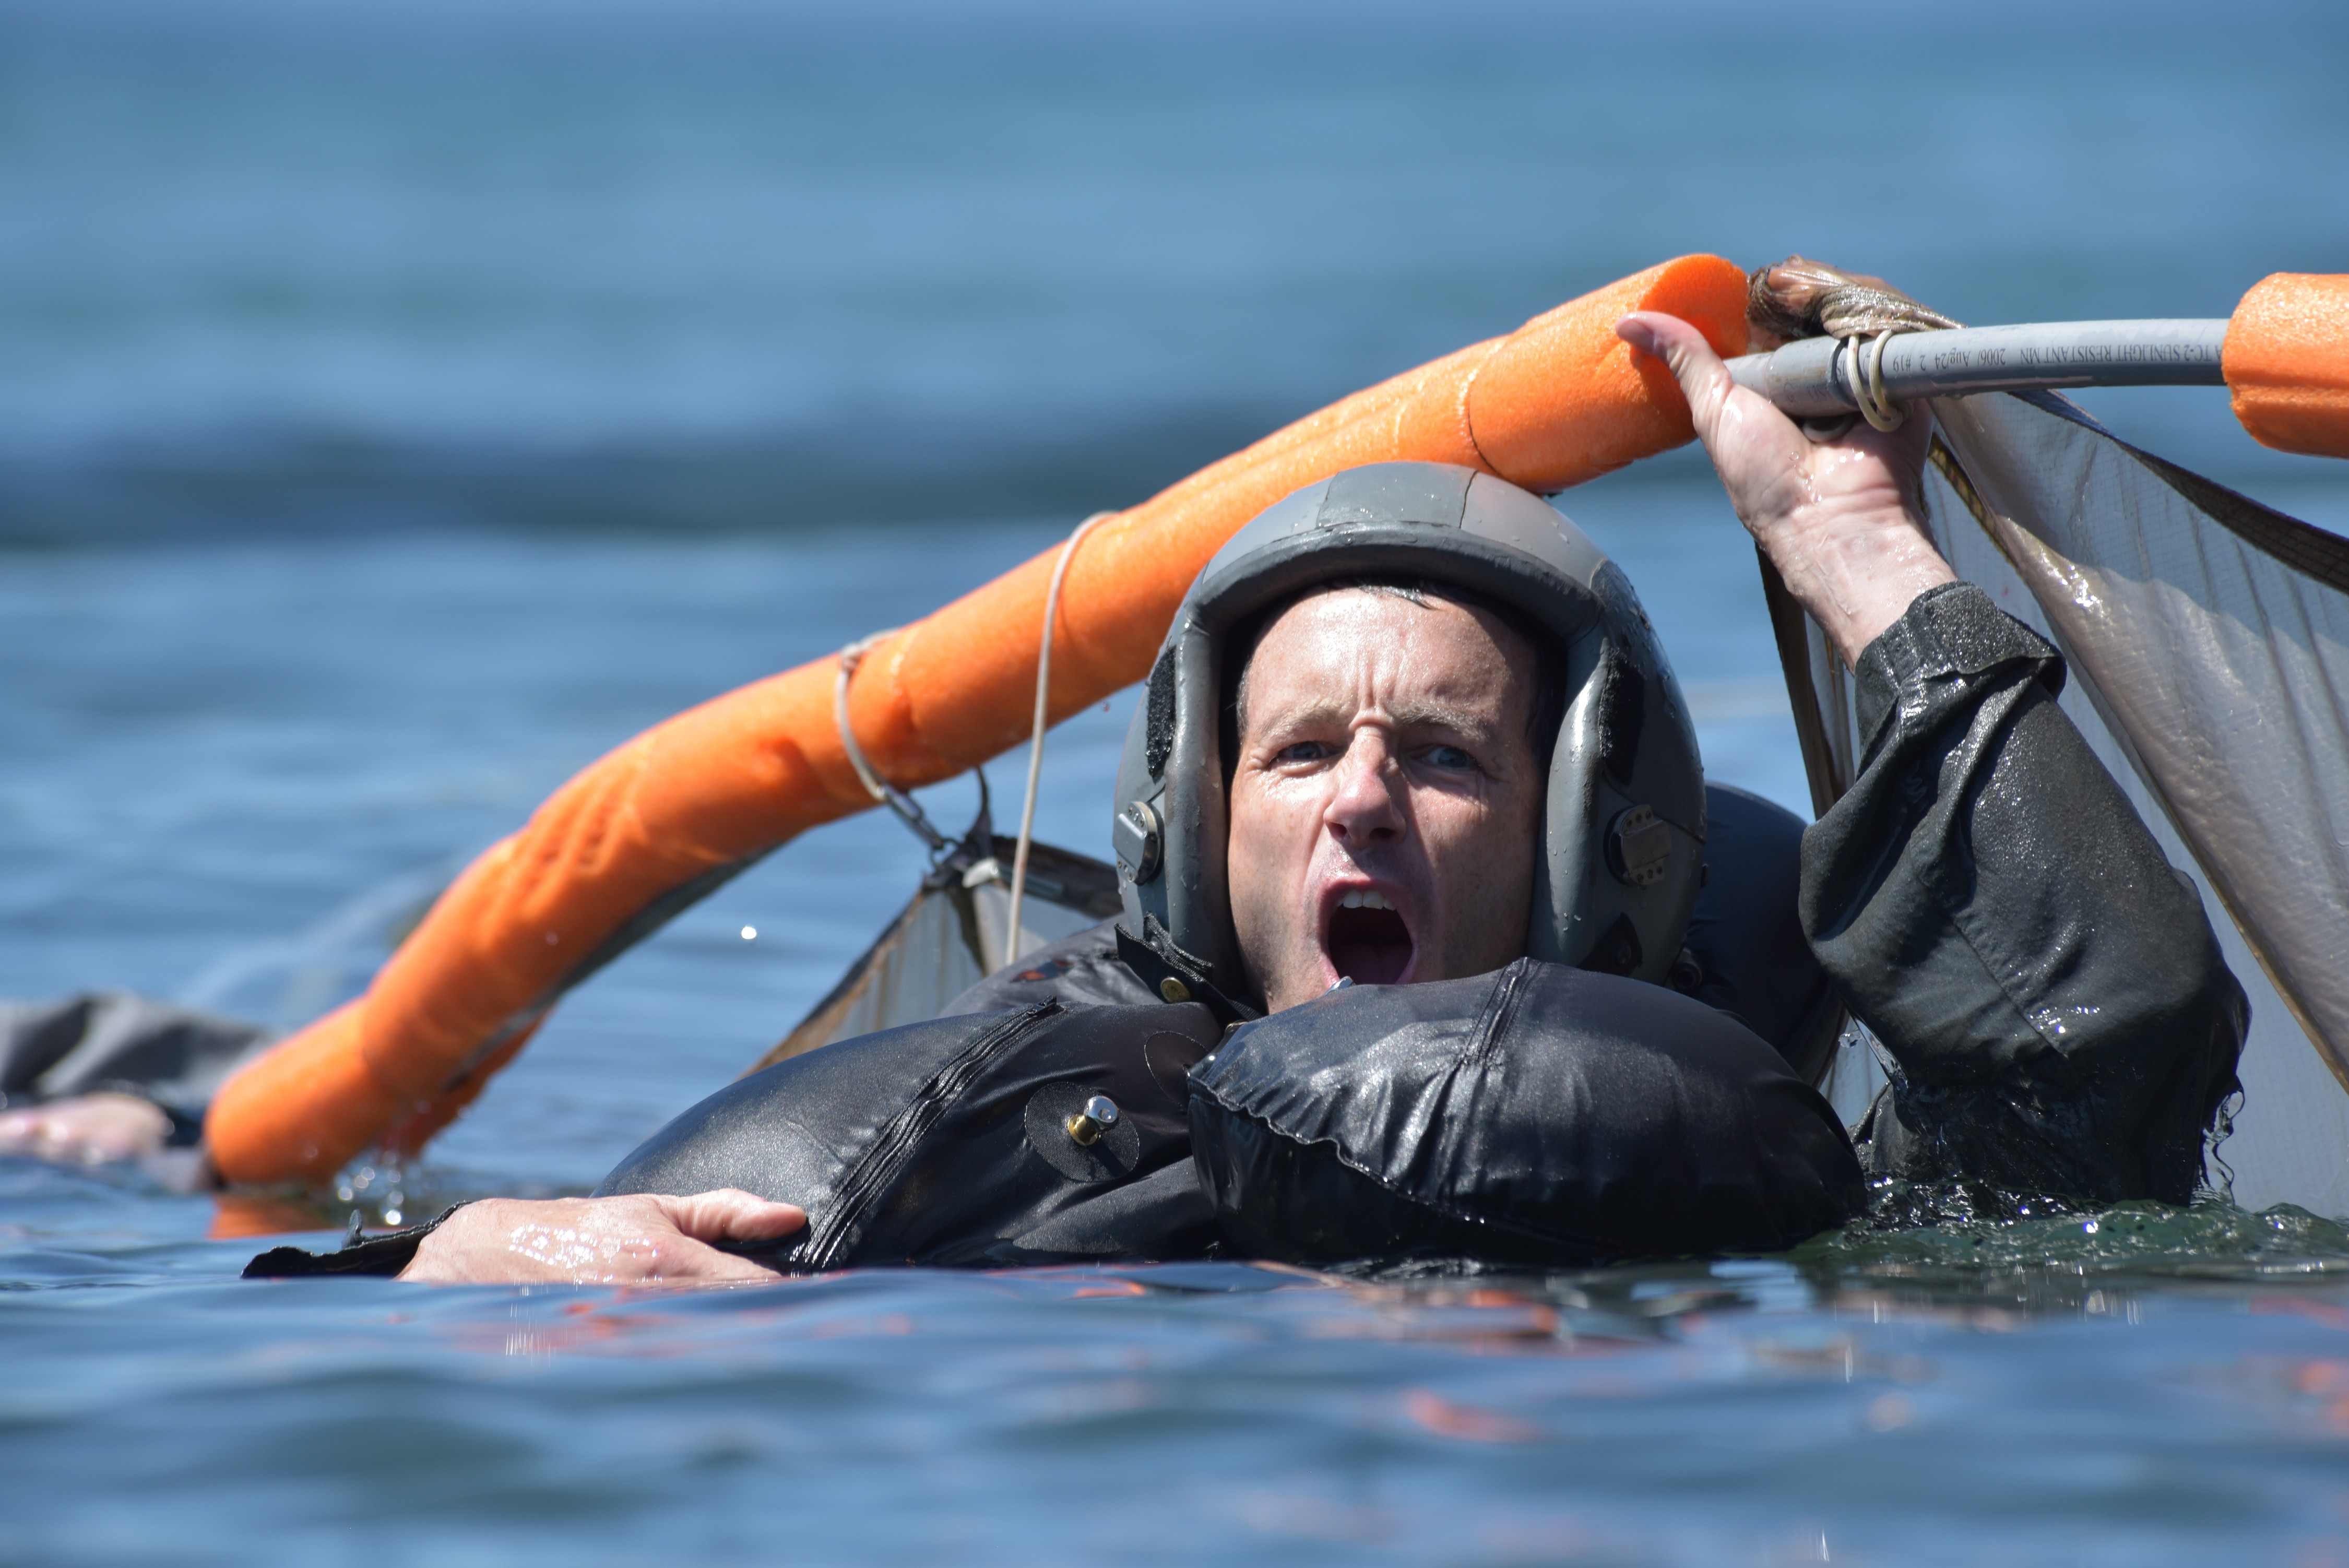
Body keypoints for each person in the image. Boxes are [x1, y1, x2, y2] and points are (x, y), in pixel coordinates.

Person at [357, 308, 2243, 1282]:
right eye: (1297, 751)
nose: (1361, 800)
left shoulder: (1747, 1138)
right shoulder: (1013, 1147)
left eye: (1442, 753)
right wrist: (452, 1255)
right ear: (1196, 831)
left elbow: (2107, 1065)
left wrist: (1856, 553)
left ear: (1584, 839)